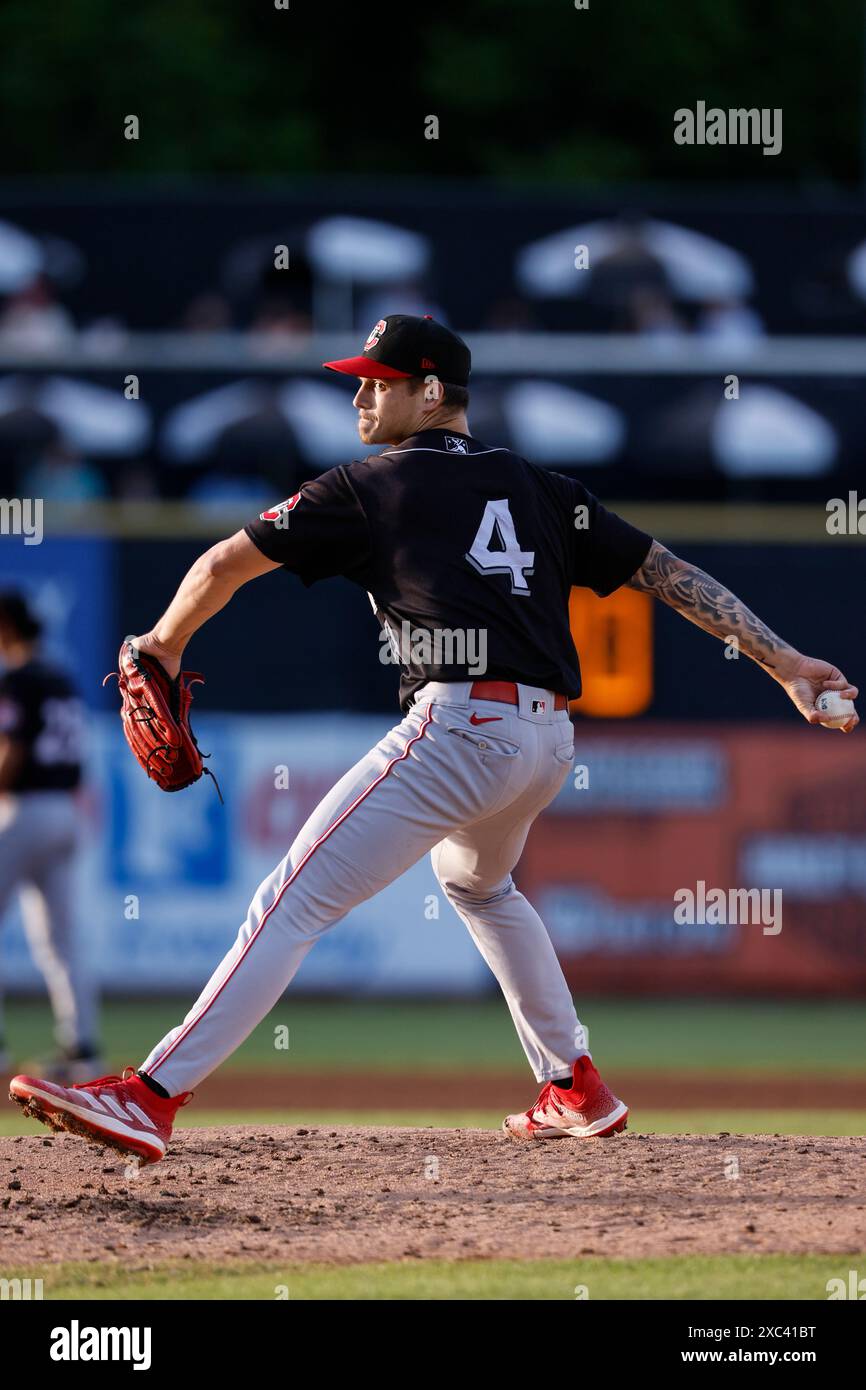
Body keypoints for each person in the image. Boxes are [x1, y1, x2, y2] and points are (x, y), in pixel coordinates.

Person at [9, 315, 858, 1165]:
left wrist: (160, 645)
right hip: (546, 743)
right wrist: (783, 662)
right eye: (360, 378)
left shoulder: (370, 483)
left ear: (431, 392)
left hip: (460, 728)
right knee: (478, 884)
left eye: (379, 380)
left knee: (292, 899)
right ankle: (573, 1085)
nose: (361, 394)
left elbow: (222, 565)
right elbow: (669, 574)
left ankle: (149, 1096)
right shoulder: (543, 486)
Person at [0, 591, 101, 1080]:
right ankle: (82, 1047)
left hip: (21, 810)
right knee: (63, 941)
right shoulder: (61, 679)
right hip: (64, 809)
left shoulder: (18, 680)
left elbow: (11, 752)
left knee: (56, 940)